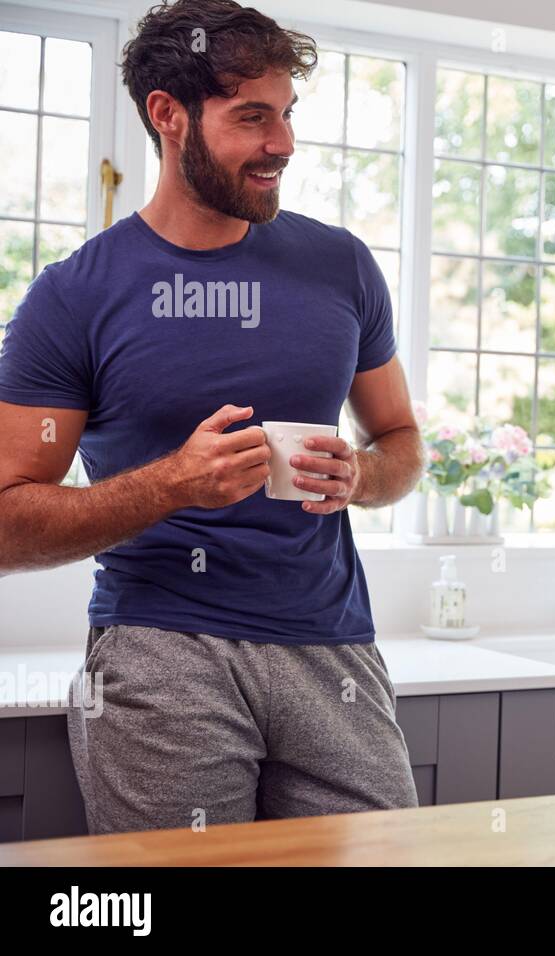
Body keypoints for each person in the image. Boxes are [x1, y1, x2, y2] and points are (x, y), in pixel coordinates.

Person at [0, 0, 423, 832]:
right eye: (252, 117)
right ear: (168, 115)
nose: (284, 144)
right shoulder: (73, 297)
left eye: (288, 114)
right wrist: (169, 485)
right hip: (161, 652)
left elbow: (402, 441)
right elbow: (8, 524)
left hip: (333, 647)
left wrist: (365, 475)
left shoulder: (340, 266)